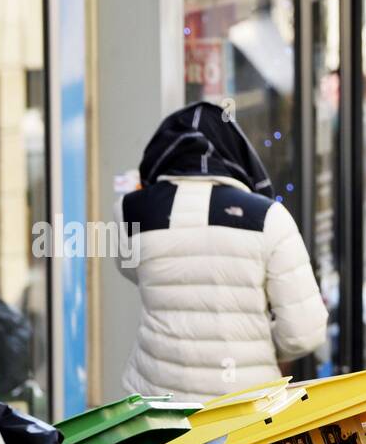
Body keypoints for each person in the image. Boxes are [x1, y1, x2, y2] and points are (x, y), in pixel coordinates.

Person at [117, 101, 327, 402]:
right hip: (244, 408)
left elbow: (134, 272)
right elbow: (305, 332)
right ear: (236, 152)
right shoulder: (269, 217)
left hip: (155, 408)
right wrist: (255, 345)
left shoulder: (128, 210)